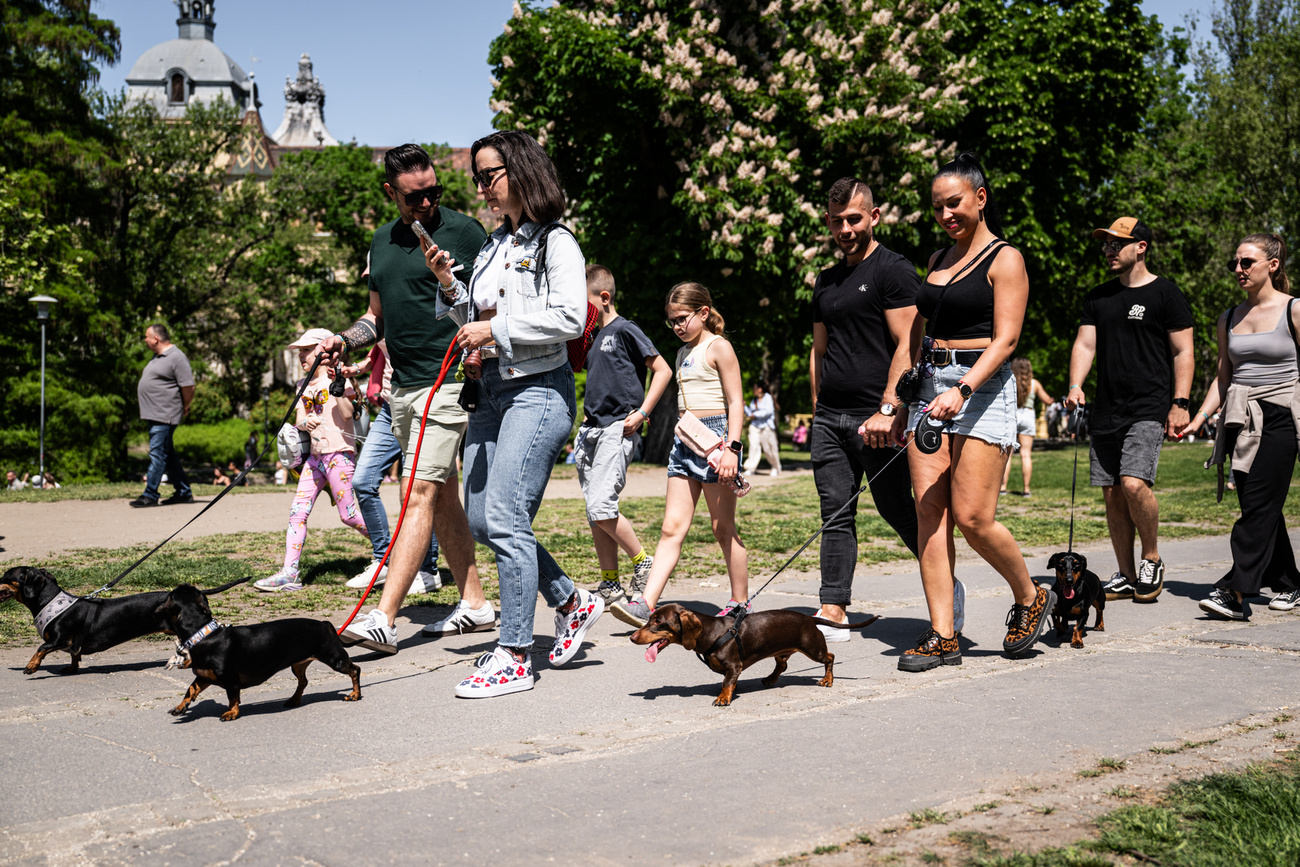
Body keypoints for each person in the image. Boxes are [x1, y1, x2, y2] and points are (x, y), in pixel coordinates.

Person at [433, 129, 604, 698]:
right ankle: (570, 599)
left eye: (490, 175)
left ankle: (513, 653)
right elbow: (473, 313)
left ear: (521, 172)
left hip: (538, 391)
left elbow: (569, 318)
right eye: (477, 177)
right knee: (482, 518)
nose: (481, 186)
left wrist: (496, 329)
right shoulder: (490, 247)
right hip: (488, 392)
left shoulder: (557, 242)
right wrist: (449, 287)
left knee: (505, 515)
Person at [323, 143, 492, 652]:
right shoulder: (380, 242)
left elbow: (484, 311)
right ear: (390, 192)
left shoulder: (465, 233)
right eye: (414, 196)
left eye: (433, 193)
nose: (425, 204)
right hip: (402, 387)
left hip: (450, 382)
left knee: (417, 491)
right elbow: (374, 319)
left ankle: (385, 616)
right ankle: (477, 604)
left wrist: (449, 279)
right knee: (440, 495)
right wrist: (343, 339)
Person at [897, 153, 1054, 672]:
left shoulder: (1005, 259)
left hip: (980, 390)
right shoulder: (940, 258)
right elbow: (917, 331)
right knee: (930, 513)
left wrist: (962, 389)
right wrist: (901, 397)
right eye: (938, 206)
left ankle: (1030, 595)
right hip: (929, 388)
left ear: (980, 198)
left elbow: (1007, 339)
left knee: (972, 516)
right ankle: (943, 634)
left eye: (955, 203)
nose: (946, 214)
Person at [807, 177, 924, 642]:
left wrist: (890, 408)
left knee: (898, 509)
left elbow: (909, 343)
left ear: (874, 216)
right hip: (830, 419)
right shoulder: (826, 279)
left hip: (876, 420)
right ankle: (833, 607)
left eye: (854, 219)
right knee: (835, 512)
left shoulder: (893, 271)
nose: (845, 229)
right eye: (837, 221)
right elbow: (820, 350)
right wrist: (817, 407)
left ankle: (943, 581)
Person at [1065, 217, 1194, 603]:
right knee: (1112, 493)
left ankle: (1150, 558)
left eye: (1116, 243)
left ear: (1140, 247)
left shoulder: (1166, 295)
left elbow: (1183, 351)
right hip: (1106, 408)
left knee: (1134, 483)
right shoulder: (1098, 297)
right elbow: (1085, 346)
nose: (1108, 250)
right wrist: (1075, 385)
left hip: (1148, 406)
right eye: (1104, 244)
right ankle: (1123, 573)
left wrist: (1181, 403)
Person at [611, 282, 749, 627]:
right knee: (671, 528)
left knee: (722, 527)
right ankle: (645, 603)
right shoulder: (681, 353)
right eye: (671, 320)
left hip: (718, 443)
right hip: (685, 440)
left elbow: (736, 402)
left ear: (703, 312)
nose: (677, 326)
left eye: (682, 318)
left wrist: (732, 448)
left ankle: (740, 601)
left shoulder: (719, 348)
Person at [1177, 233, 1300, 619]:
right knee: (1259, 505)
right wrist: (1198, 419)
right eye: (1235, 263)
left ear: (1272, 265)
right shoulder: (1229, 317)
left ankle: (1234, 591)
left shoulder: (1294, 310)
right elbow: (1223, 377)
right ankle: (1291, 585)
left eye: (1247, 262)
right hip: (1238, 419)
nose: (1238, 269)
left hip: (1282, 416)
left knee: (1258, 507)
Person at [577, 263, 673, 604]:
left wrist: (643, 412)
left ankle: (643, 562)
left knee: (602, 506)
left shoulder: (624, 329)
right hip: (590, 431)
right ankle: (610, 583)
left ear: (604, 298)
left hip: (617, 428)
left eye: (583, 301)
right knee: (594, 511)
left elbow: (663, 369)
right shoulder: (592, 337)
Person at [254, 329, 370, 591]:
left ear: (323, 350)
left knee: (349, 516)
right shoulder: (302, 385)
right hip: (315, 459)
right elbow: (298, 422)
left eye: (306, 350)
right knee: (297, 513)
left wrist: (338, 387)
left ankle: (390, 550)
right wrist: (305, 423)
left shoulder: (338, 378)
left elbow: (349, 414)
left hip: (339, 456)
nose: (301, 356)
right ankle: (290, 573)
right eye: (300, 351)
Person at [339, 319, 441, 596]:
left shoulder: (414, 293)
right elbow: (380, 347)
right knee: (362, 481)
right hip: (388, 406)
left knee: (417, 489)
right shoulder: (379, 308)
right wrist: (358, 367)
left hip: (422, 401)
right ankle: (383, 559)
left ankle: (427, 569)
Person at [131, 324, 194, 508]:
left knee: (157, 454)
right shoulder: (158, 357)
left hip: (165, 414)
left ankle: (150, 494)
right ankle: (183, 492)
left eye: (146, 336)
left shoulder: (177, 357)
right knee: (167, 455)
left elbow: (188, 386)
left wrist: (186, 405)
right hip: (155, 413)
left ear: (155, 339)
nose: (145, 340)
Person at [1000, 358, 1055, 496]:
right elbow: (1047, 400)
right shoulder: (1034, 384)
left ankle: (1003, 487)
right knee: (1026, 455)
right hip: (1028, 415)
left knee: (1008, 454)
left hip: (1012, 414)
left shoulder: (1010, 381)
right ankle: (1026, 489)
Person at [742, 381, 782, 477]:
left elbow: (767, 412)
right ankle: (751, 468)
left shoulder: (768, 398)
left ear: (760, 389)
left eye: (754, 388)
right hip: (755, 426)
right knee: (753, 446)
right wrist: (744, 406)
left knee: (768, 449)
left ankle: (774, 467)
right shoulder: (754, 400)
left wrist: (754, 415)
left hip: (766, 427)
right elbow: (749, 414)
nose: (753, 391)